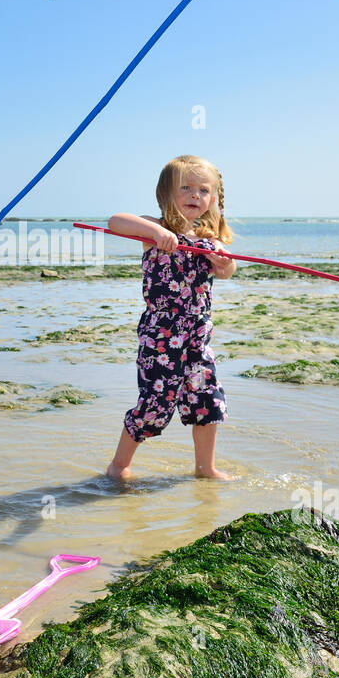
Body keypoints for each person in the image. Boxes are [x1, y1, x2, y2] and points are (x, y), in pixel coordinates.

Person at [106, 155, 236, 481]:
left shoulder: (210, 239)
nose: (195, 195)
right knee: (155, 401)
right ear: (167, 193)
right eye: (187, 188)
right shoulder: (155, 229)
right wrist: (154, 231)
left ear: (213, 198)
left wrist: (221, 260)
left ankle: (205, 468)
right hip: (161, 335)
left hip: (198, 337)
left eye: (203, 190)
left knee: (206, 400)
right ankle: (119, 466)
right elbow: (115, 221)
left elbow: (228, 270)